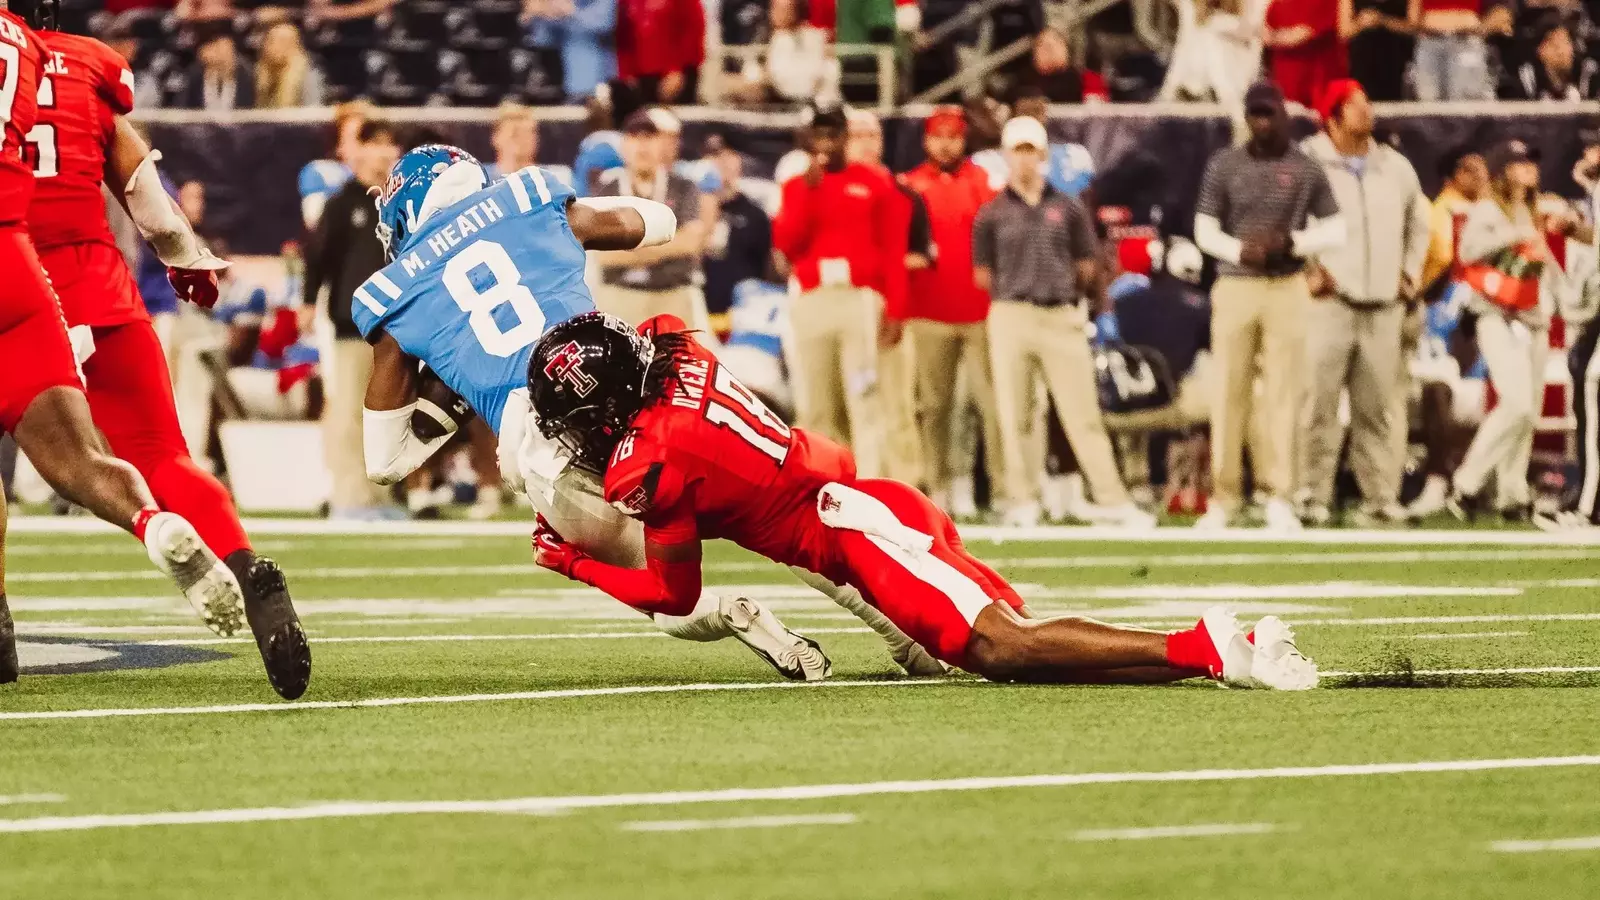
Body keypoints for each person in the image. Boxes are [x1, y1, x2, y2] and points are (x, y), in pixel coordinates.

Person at [355, 144, 944, 681]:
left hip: (540, 445)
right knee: (782, 516)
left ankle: (733, 615)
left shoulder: (392, 290)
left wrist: (457, 398)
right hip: (632, 385)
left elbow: (386, 460)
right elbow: (657, 223)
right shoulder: (527, 196)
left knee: (664, 593)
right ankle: (911, 640)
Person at [526, 311, 1318, 689]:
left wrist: (575, 562)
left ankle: (1209, 645)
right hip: (861, 508)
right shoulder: (675, 346)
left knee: (1005, 647)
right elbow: (654, 335)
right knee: (1023, 655)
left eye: (577, 423)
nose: (579, 441)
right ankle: (1206, 656)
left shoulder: (655, 459)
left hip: (856, 529)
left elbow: (677, 591)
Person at [0, 0, 265, 687]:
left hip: (39, 265)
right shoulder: (70, 63)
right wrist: (191, 258)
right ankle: (158, 526)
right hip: (48, 279)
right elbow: (143, 188)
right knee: (107, 458)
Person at [974, 117, 1150, 529]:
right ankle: (1023, 499)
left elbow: (1088, 261)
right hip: (1012, 313)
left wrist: (1066, 285)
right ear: (1006, 155)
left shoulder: (1067, 207)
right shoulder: (991, 214)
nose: (1024, 160)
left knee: (1081, 411)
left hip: (1060, 314)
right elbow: (982, 273)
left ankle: (1110, 497)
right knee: (1016, 412)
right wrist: (1021, 281)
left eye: (1030, 151)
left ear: (1042, 156)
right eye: (1017, 151)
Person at [1193, 82, 1345, 531]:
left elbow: (1336, 228)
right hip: (1237, 284)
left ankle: (1279, 492)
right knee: (1228, 391)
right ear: (1246, 118)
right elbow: (1204, 227)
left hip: (1286, 284)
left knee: (1285, 393)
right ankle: (1224, 497)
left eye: (1269, 114)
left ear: (1284, 115)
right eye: (1255, 115)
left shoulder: (1305, 167)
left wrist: (1294, 241)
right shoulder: (1224, 164)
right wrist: (1240, 250)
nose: (1262, 123)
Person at [1296, 80, 1429, 526]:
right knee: (1319, 403)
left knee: (1379, 408)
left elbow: (1419, 222)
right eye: (1356, 105)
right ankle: (1311, 495)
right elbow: (1285, 219)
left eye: (1367, 102)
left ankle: (1379, 498)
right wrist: (1309, 268)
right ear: (1332, 116)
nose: (1367, 111)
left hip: (1383, 303)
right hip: (1330, 301)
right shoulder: (1308, 162)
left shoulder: (1395, 166)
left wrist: (1410, 272)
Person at [772, 104, 909, 479]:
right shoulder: (797, 186)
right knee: (815, 401)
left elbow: (893, 250)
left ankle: (870, 485)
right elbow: (786, 242)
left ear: (846, 139)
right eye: (821, 136)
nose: (827, 144)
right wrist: (807, 193)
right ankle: (819, 485)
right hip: (814, 298)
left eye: (834, 135)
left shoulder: (875, 183)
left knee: (864, 398)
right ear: (810, 140)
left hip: (859, 299)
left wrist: (896, 308)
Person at [1449, 139, 1566, 522]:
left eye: (1532, 160)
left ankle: (1512, 491)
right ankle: (1466, 485)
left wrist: (1560, 296)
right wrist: (1513, 236)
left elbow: (1542, 260)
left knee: (1527, 411)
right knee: (1515, 402)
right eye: (1521, 162)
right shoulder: (1488, 208)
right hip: (1495, 315)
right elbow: (1467, 252)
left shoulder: (1528, 208)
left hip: (1530, 319)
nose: (1530, 167)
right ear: (1503, 170)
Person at [901, 107, 1004, 517]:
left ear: (964, 141)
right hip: (927, 312)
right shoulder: (910, 186)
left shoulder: (983, 184)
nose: (945, 144)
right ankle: (937, 486)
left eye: (953, 136)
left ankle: (996, 488)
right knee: (933, 406)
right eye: (938, 136)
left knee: (989, 406)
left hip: (980, 312)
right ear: (927, 140)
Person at [304, 119, 402, 521]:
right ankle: (349, 495)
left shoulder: (403, 204)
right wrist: (308, 303)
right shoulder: (343, 202)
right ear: (357, 151)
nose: (382, 153)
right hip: (352, 324)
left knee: (391, 415)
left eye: (388, 144)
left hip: (396, 328)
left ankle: (384, 498)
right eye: (373, 144)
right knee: (348, 410)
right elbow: (318, 255)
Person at [1406, 145, 1489, 519]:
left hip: (1490, 314)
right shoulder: (1435, 214)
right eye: (1471, 169)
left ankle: (1494, 483)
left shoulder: (1497, 212)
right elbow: (1431, 269)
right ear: (1452, 176)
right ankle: (1439, 479)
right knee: (1437, 386)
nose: (1482, 176)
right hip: (1445, 317)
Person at [589, 110, 706, 327]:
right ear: (624, 146)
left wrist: (630, 249)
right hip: (621, 296)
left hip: (671, 295)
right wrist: (668, 244)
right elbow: (603, 256)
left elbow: (691, 243)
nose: (642, 146)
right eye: (634, 138)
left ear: (661, 146)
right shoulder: (608, 190)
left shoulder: (683, 187)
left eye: (649, 138)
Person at [299, 101, 370, 231]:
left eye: (368, 138)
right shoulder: (320, 172)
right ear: (339, 144)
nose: (363, 146)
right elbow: (316, 225)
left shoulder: (396, 173)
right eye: (357, 137)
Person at [1413, 0, 1497, 101]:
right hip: (1430, 42)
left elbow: (1499, 9)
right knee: (1427, 100)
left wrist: (1482, 29)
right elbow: (1413, 17)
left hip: (1465, 42)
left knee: (1466, 104)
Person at [1499, 18, 1600, 101]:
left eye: (1566, 44)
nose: (1562, 52)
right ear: (1540, 50)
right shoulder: (1525, 79)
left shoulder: (1587, 74)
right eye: (1555, 45)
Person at [1340, 0, 1420, 102]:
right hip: (1362, 62)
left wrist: (1383, 21)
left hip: (1396, 62)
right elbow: (1344, 31)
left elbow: (1414, 27)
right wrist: (1361, 23)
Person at [178, 24, 255, 111]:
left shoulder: (244, 78)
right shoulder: (195, 77)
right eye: (216, 48)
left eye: (228, 50)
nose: (223, 55)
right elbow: (182, 107)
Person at [254, 20, 323, 108]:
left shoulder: (308, 75)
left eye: (283, 41)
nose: (275, 46)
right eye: (271, 41)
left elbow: (314, 111)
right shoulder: (258, 74)